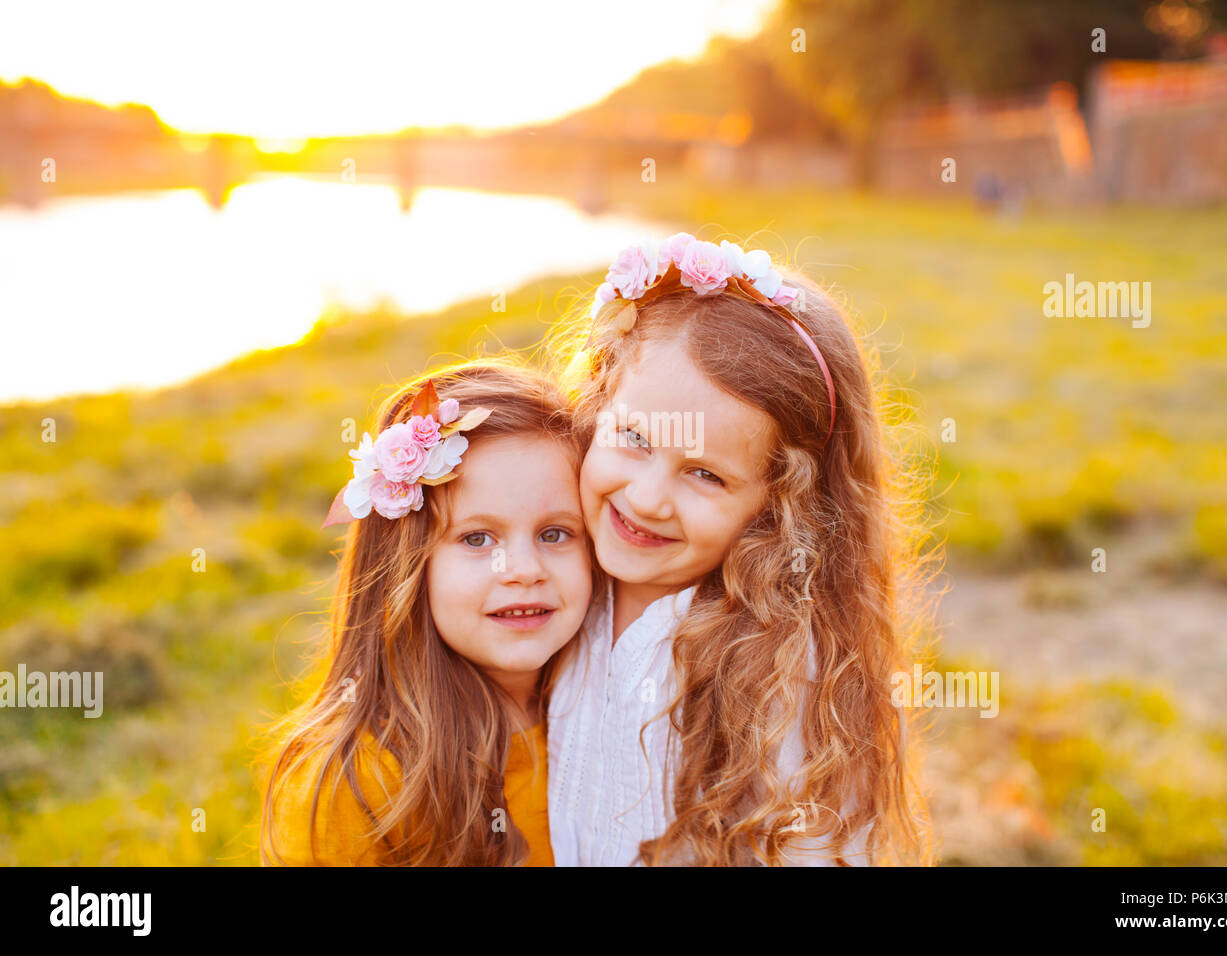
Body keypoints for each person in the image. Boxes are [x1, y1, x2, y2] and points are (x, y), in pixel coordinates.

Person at [546, 233, 936, 865]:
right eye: (634, 439)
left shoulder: (776, 663)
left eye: (705, 475)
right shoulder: (558, 577)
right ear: (597, 406)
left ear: (779, 504)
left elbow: (813, 849)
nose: (647, 498)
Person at [259, 359, 594, 865]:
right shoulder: (361, 781)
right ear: (409, 565)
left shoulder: (611, 710)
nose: (524, 570)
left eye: (555, 533)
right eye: (477, 539)